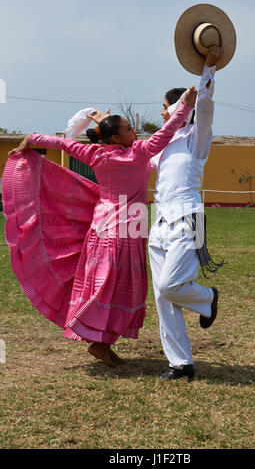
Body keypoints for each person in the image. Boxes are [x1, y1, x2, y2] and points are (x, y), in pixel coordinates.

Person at [3, 89, 196, 368]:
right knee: (115, 286)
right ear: (116, 138)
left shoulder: (94, 152)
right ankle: (97, 339)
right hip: (125, 228)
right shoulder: (138, 153)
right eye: (129, 127)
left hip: (101, 226)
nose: (135, 129)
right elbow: (165, 134)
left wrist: (31, 140)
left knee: (104, 283)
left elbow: (62, 143)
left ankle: (102, 342)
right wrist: (185, 108)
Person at [148, 46, 224, 380]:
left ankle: (208, 298)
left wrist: (208, 71)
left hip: (189, 221)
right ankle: (181, 363)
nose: (162, 113)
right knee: (163, 300)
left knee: (169, 285)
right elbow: (132, 162)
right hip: (158, 226)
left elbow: (205, 106)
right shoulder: (160, 143)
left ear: (180, 108)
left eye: (166, 108)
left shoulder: (197, 138)